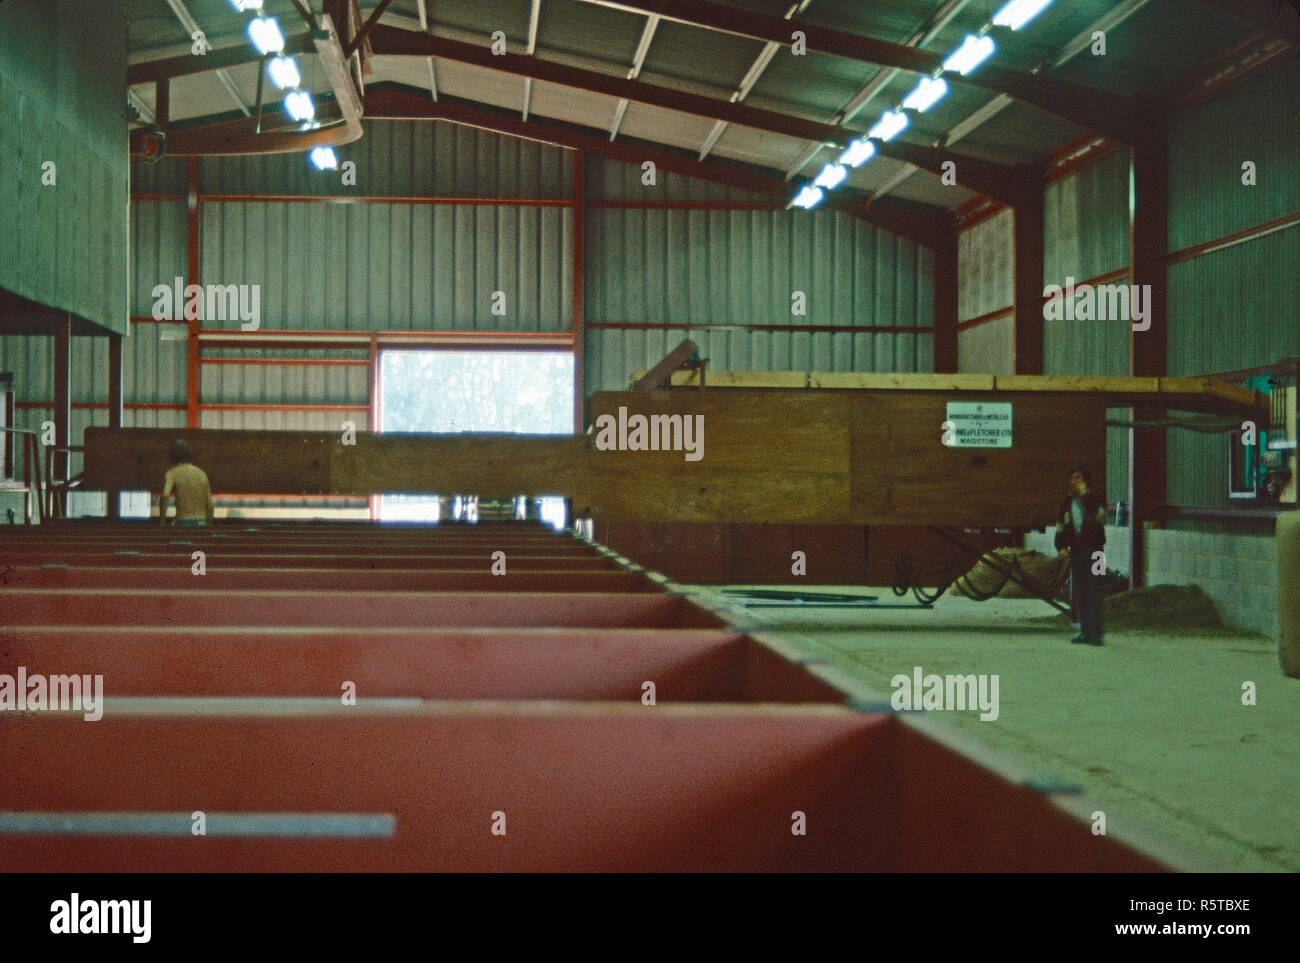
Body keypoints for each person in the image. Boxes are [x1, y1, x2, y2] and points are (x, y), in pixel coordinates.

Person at [1054, 463, 1107, 646]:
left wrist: (1085, 495)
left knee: (1096, 590)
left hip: (1097, 552)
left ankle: (1096, 633)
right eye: (1074, 478)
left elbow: (1099, 515)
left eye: (1080, 478)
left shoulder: (1096, 498)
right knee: (1081, 591)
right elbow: (1060, 525)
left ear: (1086, 481)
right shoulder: (1067, 502)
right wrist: (1060, 545)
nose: (1076, 481)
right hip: (1077, 552)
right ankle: (1085, 631)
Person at [160, 439, 213, 526]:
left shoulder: (171, 473)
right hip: (202, 521)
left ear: (172, 455)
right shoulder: (202, 474)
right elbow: (210, 505)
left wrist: (162, 521)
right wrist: (209, 525)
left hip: (182, 521)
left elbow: (165, 496)